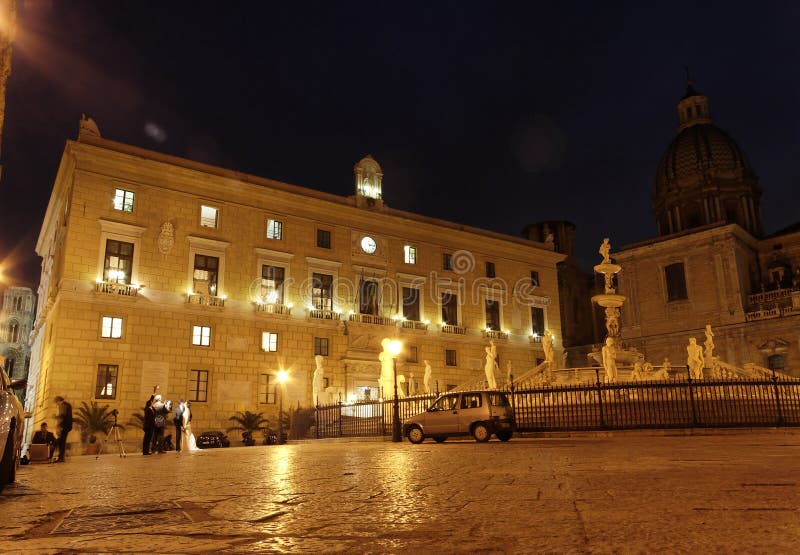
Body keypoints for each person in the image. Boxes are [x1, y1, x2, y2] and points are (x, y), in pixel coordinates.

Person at [54, 396, 72, 462]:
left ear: (59, 400)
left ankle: (61, 457)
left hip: (64, 426)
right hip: (67, 426)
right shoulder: (67, 405)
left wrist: (56, 417)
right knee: (62, 441)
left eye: (56, 402)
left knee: (61, 442)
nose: (57, 404)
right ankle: (61, 456)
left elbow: (62, 415)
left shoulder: (63, 405)